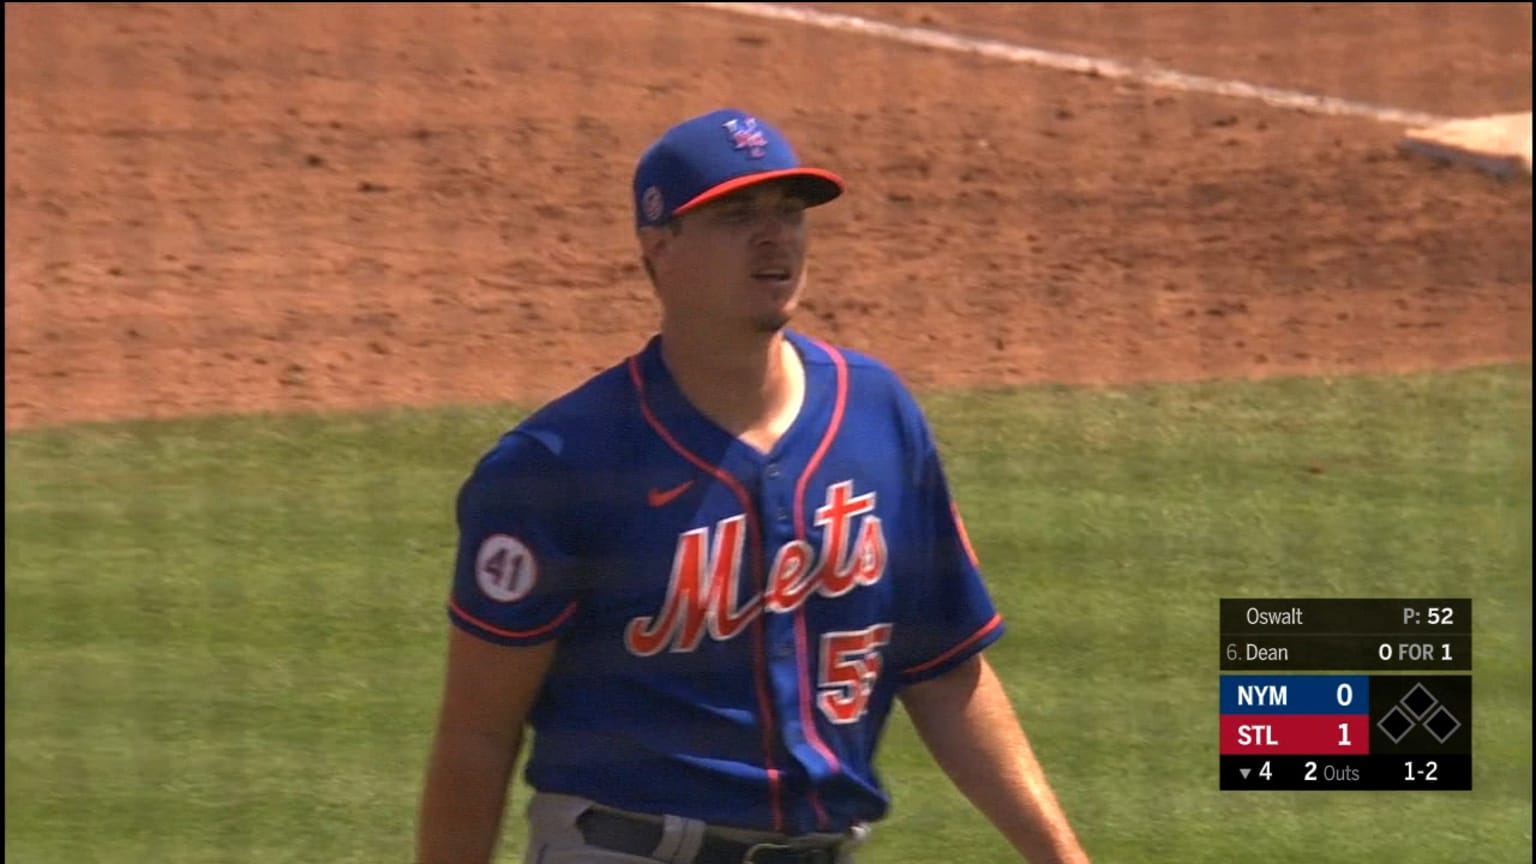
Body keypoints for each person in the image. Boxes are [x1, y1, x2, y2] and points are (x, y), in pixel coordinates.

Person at [416, 107, 1092, 864]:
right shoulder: (562, 464)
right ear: (658, 247)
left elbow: (943, 669)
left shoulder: (875, 413)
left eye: (790, 213)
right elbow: (476, 735)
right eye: (737, 215)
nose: (775, 237)